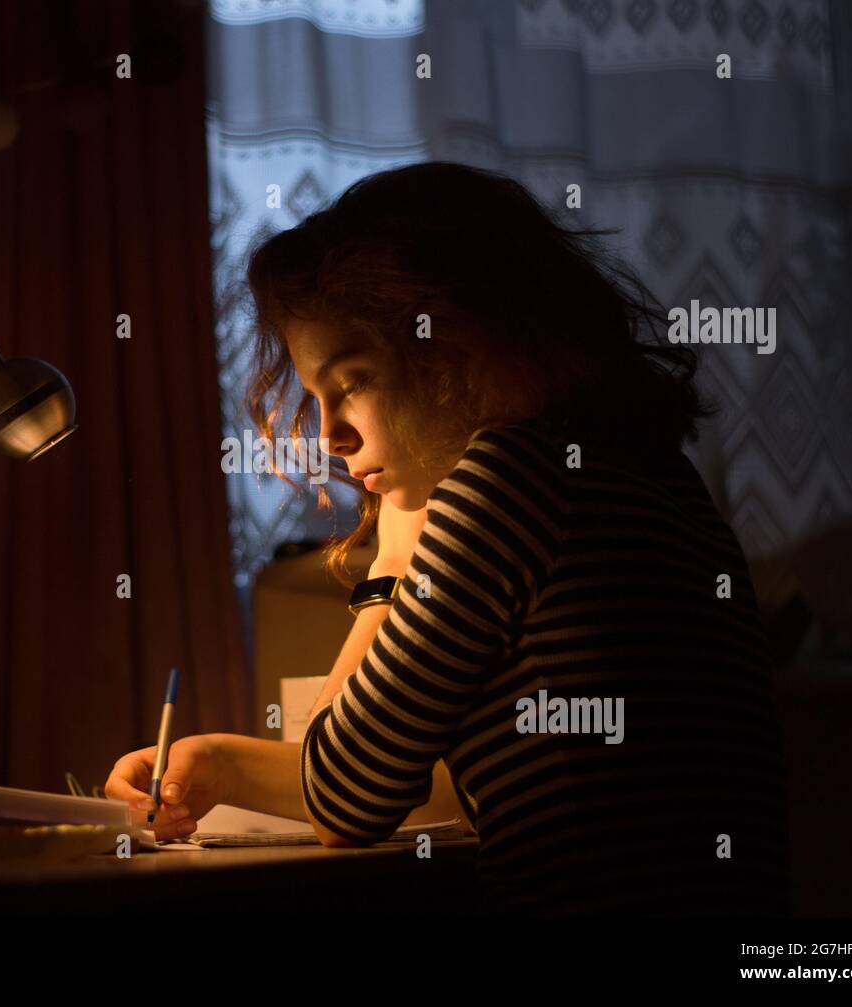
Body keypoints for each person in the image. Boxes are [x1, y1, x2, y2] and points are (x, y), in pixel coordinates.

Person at [104, 161, 791, 915]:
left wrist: (396, 546)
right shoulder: (660, 477)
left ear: (455, 348)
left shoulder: (509, 478)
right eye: (317, 397)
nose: (330, 435)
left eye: (351, 382)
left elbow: (349, 796)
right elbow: (412, 774)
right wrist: (218, 763)